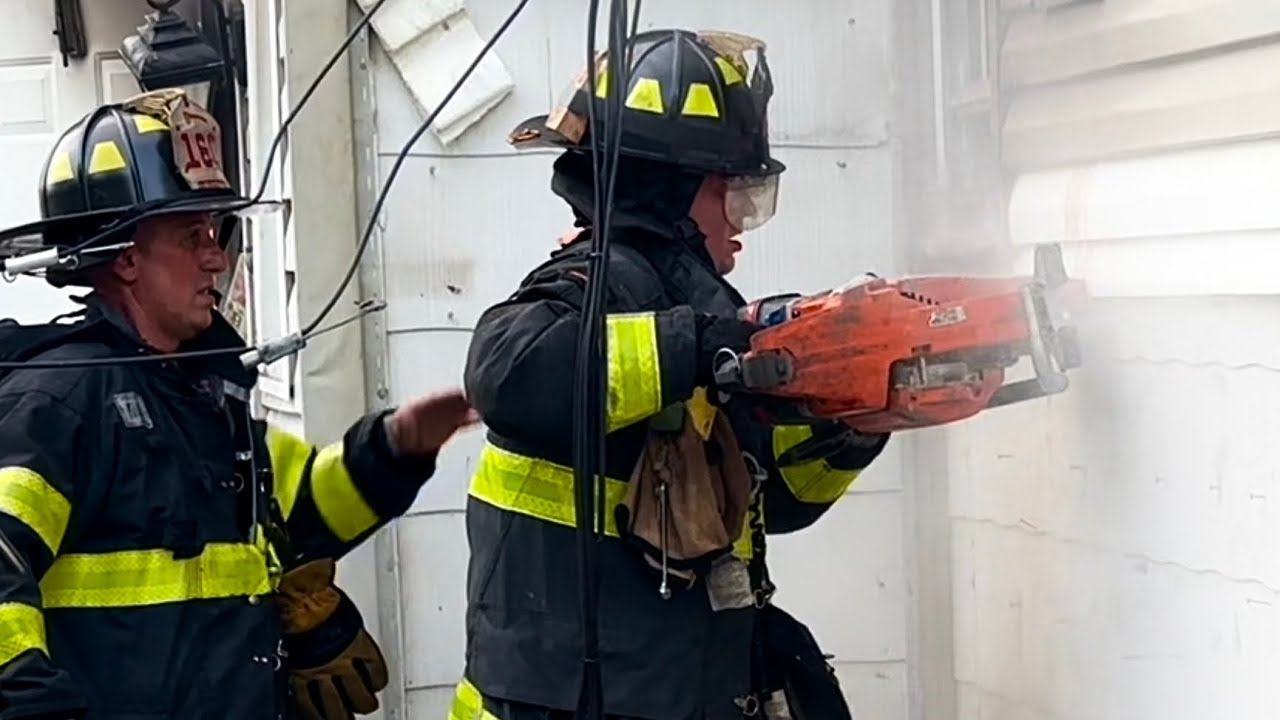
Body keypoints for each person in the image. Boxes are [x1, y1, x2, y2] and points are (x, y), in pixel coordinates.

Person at [453, 29, 891, 720]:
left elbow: (772, 505)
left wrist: (852, 422)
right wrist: (703, 345)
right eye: (733, 196)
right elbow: (504, 373)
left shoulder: (684, 304)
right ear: (671, 190)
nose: (743, 225)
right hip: (572, 700)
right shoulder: (595, 284)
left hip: (668, 686)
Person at [0, 89, 478, 720]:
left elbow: (303, 506)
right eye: (188, 234)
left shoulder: (203, 398)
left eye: (215, 230)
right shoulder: (59, 404)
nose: (216, 257)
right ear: (123, 257)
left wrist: (395, 448)